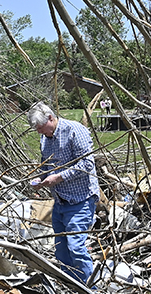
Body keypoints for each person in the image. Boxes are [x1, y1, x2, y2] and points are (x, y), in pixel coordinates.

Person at [27, 102, 98, 284]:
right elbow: (46, 164)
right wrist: (40, 179)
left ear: (50, 118)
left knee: (76, 247)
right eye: (37, 129)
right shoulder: (45, 138)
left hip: (80, 199)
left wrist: (59, 177)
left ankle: (90, 288)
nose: (39, 132)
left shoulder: (74, 130)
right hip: (60, 202)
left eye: (41, 127)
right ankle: (71, 286)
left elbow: (87, 164)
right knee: (62, 250)